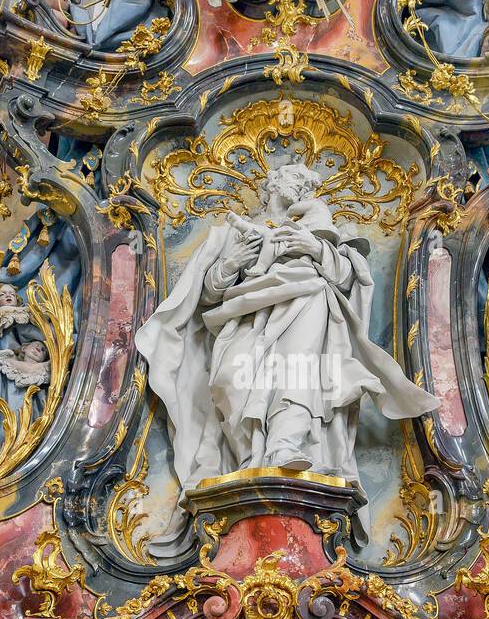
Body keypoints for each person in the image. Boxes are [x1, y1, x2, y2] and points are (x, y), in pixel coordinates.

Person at [135, 163, 438, 554]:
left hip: (306, 301)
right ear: (273, 182)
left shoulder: (319, 229)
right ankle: (248, 462)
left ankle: (284, 448)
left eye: (309, 185)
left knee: (299, 375)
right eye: (297, 180)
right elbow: (205, 295)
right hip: (242, 321)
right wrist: (231, 264)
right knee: (232, 381)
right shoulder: (233, 232)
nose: (304, 189)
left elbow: (352, 277)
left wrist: (317, 250)